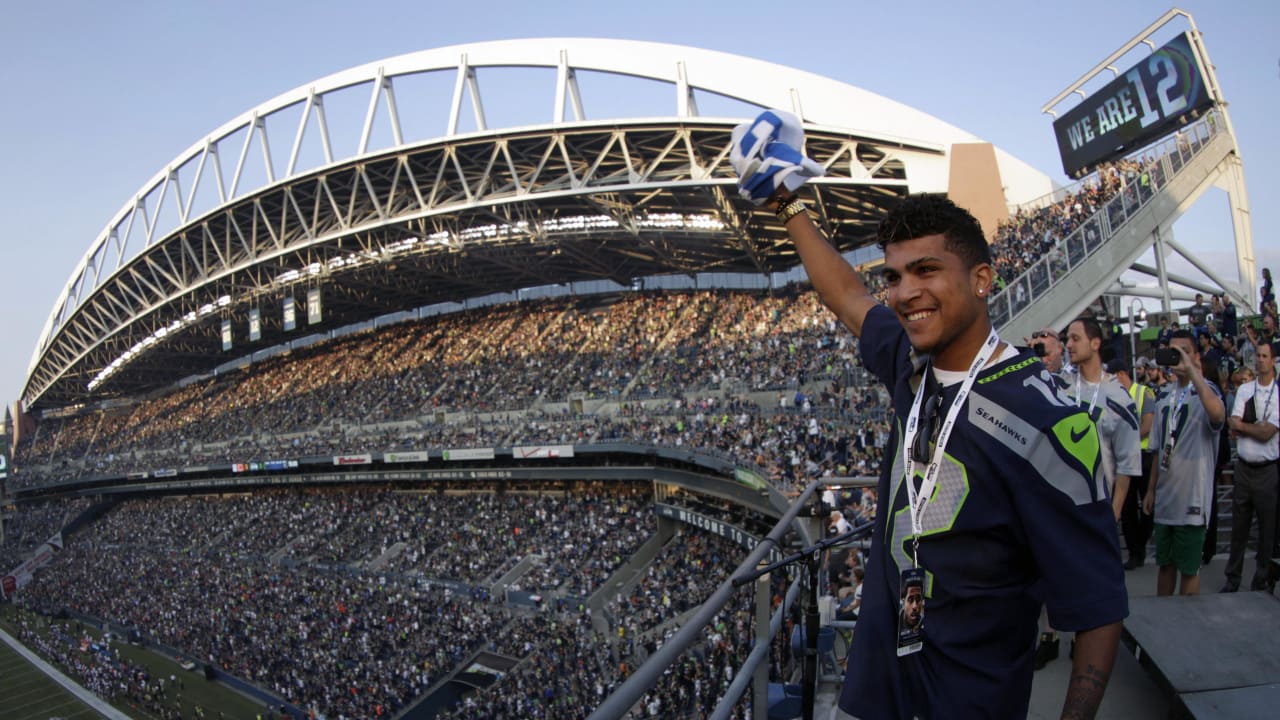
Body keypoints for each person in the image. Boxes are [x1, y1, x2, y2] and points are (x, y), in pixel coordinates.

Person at [731, 112, 1126, 720]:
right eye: (894, 275)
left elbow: (1097, 607)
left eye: (926, 271)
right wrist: (789, 205)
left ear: (982, 279)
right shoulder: (909, 366)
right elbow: (846, 295)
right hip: (878, 687)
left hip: (972, 699)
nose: (904, 291)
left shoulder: (1046, 420)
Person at [1143, 331, 1227, 595]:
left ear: (1196, 356)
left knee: (1189, 569)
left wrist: (1193, 372)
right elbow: (1157, 448)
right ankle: (1164, 628)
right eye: (1173, 351)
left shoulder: (1206, 391)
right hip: (1166, 496)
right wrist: (1151, 488)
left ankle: (1188, 628)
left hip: (1193, 497)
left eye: (1184, 351)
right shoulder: (1164, 395)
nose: (1178, 357)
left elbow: (1217, 414)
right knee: (1165, 565)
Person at [1221, 341, 1279, 592]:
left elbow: (1267, 433)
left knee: (1267, 529)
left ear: (1274, 360)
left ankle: (1261, 578)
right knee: (1239, 528)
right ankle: (1232, 578)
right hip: (1244, 467)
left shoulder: (1278, 393)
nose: (1259, 360)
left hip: (1268, 468)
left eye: (1265, 356)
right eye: (1257, 355)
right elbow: (1232, 422)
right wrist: (1252, 427)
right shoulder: (1245, 389)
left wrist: (1244, 427)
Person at [1112, 358, 1156, 569]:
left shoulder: (1144, 392)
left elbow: (1147, 424)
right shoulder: (1114, 395)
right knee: (1127, 508)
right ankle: (1134, 553)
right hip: (1125, 458)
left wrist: (1127, 440)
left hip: (1144, 455)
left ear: (1121, 374)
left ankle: (1141, 542)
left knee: (1148, 506)